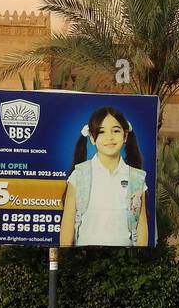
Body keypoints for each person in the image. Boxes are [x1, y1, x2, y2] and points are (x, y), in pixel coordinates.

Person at [59, 106, 149, 247]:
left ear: (125, 136)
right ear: (92, 139)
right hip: (84, 259)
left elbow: (141, 226)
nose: (110, 137)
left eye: (116, 131)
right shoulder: (79, 175)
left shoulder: (136, 178)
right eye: (101, 132)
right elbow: (67, 224)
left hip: (124, 260)